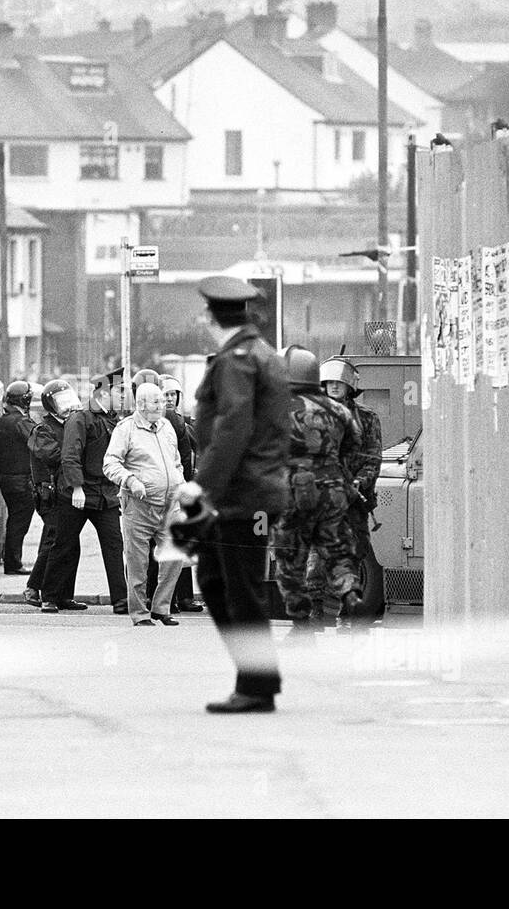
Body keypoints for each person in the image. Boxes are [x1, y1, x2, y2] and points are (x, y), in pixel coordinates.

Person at [175, 277, 290, 714]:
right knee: (220, 583)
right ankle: (260, 678)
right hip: (249, 490)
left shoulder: (236, 360)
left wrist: (202, 489)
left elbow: (232, 428)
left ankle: (256, 685)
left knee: (237, 590)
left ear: (210, 316)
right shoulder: (261, 353)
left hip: (238, 494)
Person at [273, 347, 362, 633]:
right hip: (333, 491)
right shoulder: (339, 410)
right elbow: (354, 444)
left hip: (294, 492)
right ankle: (350, 593)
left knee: (290, 561)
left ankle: (301, 624)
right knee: (337, 551)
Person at [42, 372, 126, 614]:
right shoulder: (80, 418)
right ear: (104, 393)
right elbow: (70, 454)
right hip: (77, 493)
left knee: (114, 544)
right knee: (64, 545)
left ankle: (120, 600)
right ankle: (50, 596)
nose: (123, 397)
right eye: (119, 392)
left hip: (105, 494)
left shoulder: (112, 419)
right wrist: (77, 487)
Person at [104, 382, 185, 626]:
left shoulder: (166, 426)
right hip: (139, 505)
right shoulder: (126, 429)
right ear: (140, 405)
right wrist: (130, 479)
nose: (162, 406)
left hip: (170, 504)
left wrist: (180, 485)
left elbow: (176, 462)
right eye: (156, 402)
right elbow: (110, 463)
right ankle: (139, 613)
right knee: (138, 562)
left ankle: (161, 607)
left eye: (162, 401)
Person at [322, 357, 384, 622]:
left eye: (339, 382)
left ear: (350, 386)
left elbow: (373, 459)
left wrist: (357, 484)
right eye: (329, 382)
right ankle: (315, 624)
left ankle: (353, 619)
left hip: (354, 503)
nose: (334, 387)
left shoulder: (367, 419)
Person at [23, 379, 80, 610]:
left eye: (69, 400)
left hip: (65, 491)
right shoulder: (43, 429)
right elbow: (53, 457)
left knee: (70, 542)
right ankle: (34, 587)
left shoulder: (72, 424)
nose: (68, 406)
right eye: (61, 402)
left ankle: (64, 594)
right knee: (55, 540)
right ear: (51, 405)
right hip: (49, 494)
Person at [150, 373, 204, 613]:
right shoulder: (158, 421)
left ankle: (184, 596)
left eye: (173, 394)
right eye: (166, 395)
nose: (170, 399)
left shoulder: (185, 422)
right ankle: (168, 598)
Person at [0, 381, 37, 576]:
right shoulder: (21, 422)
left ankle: (10, 558)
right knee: (20, 521)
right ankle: (13, 562)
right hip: (22, 479)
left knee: (14, 518)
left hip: (6, 478)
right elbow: (40, 441)